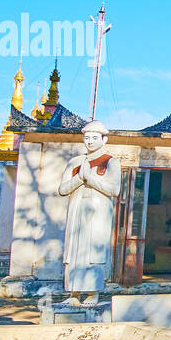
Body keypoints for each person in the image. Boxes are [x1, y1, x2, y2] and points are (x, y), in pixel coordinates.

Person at [58, 121, 122, 305]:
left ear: (104, 139)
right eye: (87, 138)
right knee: (74, 252)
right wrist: (79, 178)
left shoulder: (111, 162)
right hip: (77, 211)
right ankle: (74, 294)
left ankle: (93, 293)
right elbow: (62, 189)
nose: (90, 141)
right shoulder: (75, 162)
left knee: (94, 252)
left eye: (95, 138)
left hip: (98, 213)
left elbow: (114, 189)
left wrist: (91, 178)